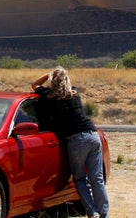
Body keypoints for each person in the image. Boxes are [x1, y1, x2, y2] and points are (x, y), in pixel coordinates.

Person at [32, 67, 108, 218]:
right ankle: (104, 214)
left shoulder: (49, 96)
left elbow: (34, 84)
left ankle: (92, 213)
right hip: (93, 135)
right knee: (97, 179)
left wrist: (49, 75)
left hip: (76, 140)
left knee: (79, 179)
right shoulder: (74, 93)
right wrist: (59, 75)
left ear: (52, 81)